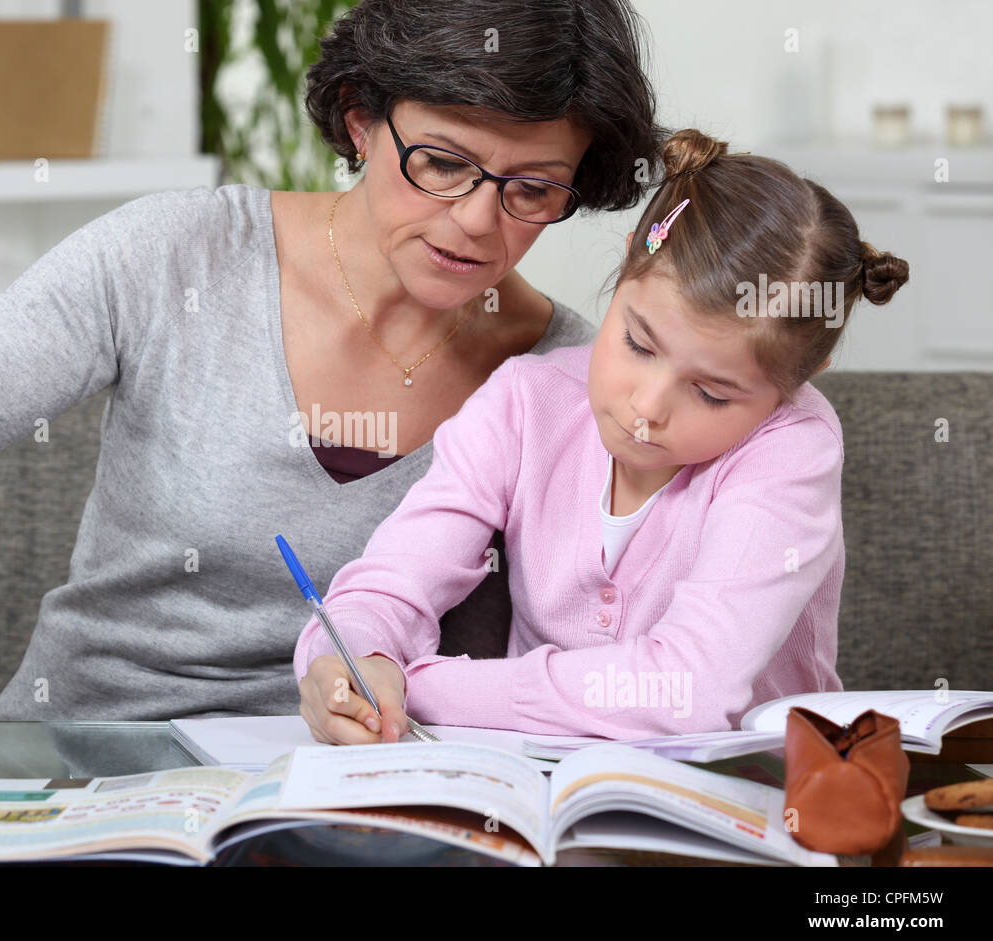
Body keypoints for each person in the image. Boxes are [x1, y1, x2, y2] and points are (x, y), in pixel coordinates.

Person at [0, 0, 663, 720]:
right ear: (362, 119)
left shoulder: (580, 380)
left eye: (532, 190)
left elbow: (600, 640)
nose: (476, 222)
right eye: (442, 162)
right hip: (81, 757)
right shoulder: (171, 255)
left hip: (352, 792)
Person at [295, 129, 911, 744]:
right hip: (532, 785)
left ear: (797, 383)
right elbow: (389, 585)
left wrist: (421, 685)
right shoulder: (524, 402)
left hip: (749, 800)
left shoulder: (792, 449)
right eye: (638, 344)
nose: (647, 406)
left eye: (711, 393)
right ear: (623, 270)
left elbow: (686, 691)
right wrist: (350, 660)